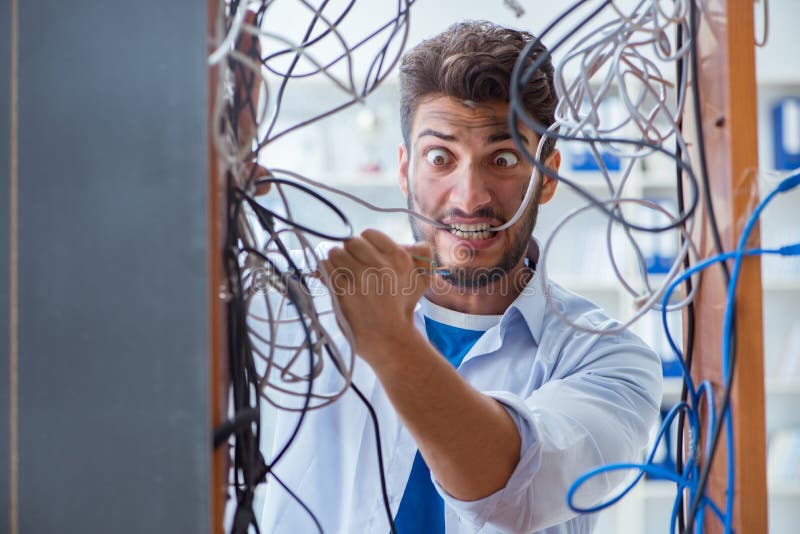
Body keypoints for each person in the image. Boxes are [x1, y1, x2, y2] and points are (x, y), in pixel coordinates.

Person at [258, 20, 662, 534]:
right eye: (440, 157)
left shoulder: (610, 358)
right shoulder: (309, 292)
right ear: (404, 169)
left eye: (503, 158)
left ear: (548, 177)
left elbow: (512, 487)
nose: (470, 197)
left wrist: (387, 339)